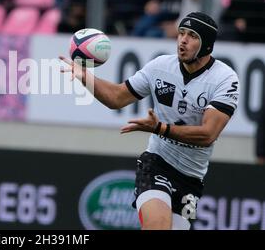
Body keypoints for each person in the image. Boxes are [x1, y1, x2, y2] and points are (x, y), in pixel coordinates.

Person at [61, 12, 240, 229]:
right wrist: (86, 78)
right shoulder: (160, 67)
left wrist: (159, 128)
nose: (182, 40)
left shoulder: (225, 79)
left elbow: (208, 134)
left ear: (207, 45)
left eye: (192, 35)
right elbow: (117, 98)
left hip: (191, 178)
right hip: (157, 164)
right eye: (181, 33)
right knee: (157, 225)